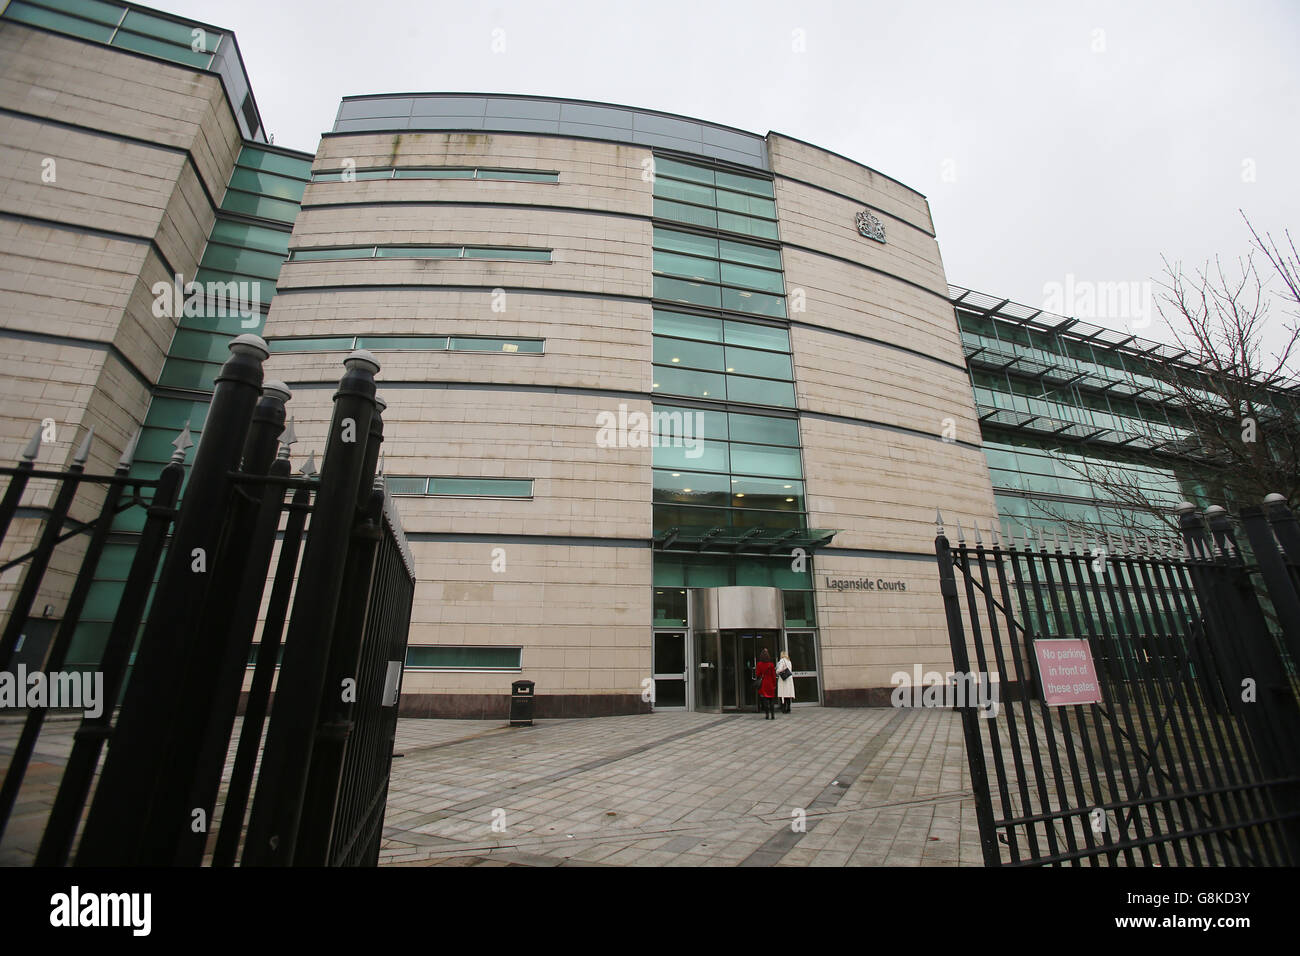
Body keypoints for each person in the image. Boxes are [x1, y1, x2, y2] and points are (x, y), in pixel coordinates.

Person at [755, 648, 777, 719]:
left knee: (765, 699)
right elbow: (774, 675)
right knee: (771, 700)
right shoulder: (771, 665)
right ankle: (773, 715)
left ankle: (767, 714)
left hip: (763, 683)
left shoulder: (759, 664)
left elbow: (758, 674)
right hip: (770, 683)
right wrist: (774, 684)